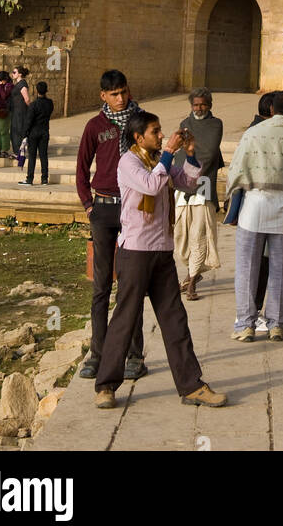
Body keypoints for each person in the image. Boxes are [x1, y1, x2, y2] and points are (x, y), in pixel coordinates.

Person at [94, 109, 227, 410]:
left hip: (161, 250)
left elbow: (190, 182)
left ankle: (191, 385)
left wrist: (190, 156)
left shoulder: (159, 162)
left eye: (161, 130)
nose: (162, 135)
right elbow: (152, 186)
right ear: (139, 137)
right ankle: (106, 385)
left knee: (175, 318)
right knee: (125, 318)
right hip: (136, 251)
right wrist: (169, 154)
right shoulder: (128, 162)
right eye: (156, 131)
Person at [227, 90, 283, 342]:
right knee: (279, 269)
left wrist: (232, 201)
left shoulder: (252, 134)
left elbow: (235, 174)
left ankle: (246, 324)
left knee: (247, 269)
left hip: (253, 210)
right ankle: (277, 324)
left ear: (272, 110)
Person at [75, 69, 145, 381]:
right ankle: (98, 354)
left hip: (133, 210)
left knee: (132, 285)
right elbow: (81, 168)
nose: (120, 99)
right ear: (103, 95)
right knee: (102, 286)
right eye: (114, 94)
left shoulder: (141, 122)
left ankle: (134, 355)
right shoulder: (95, 126)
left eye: (123, 92)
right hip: (102, 209)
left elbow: (155, 163)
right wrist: (88, 205)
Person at [174, 88, 224, 300]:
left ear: (210, 105)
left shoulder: (215, 124)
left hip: (204, 183)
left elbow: (209, 153)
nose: (199, 108)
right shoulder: (185, 123)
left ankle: (192, 281)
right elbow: (178, 149)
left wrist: (190, 156)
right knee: (181, 237)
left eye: (203, 104)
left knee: (199, 235)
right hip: (182, 186)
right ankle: (192, 271)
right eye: (195, 105)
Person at [19, 80, 54, 186]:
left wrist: (24, 134)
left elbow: (28, 121)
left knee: (32, 156)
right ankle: (44, 179)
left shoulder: (33, 105)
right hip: (44, 131)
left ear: (36, 91)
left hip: (34, 133)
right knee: (44, 155)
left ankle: (30, 179)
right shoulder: (50, 103)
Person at [9, 66, 31, 162]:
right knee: (14, 131)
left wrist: (30, 110)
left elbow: (27, 99)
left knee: (18, 131)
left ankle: (19, 153)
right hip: (16, 111)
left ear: (20, 74)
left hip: (20, 111)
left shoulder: (22, 84)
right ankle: (17, 152)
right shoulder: (18, 84)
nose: (12, 74)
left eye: (14, 72)